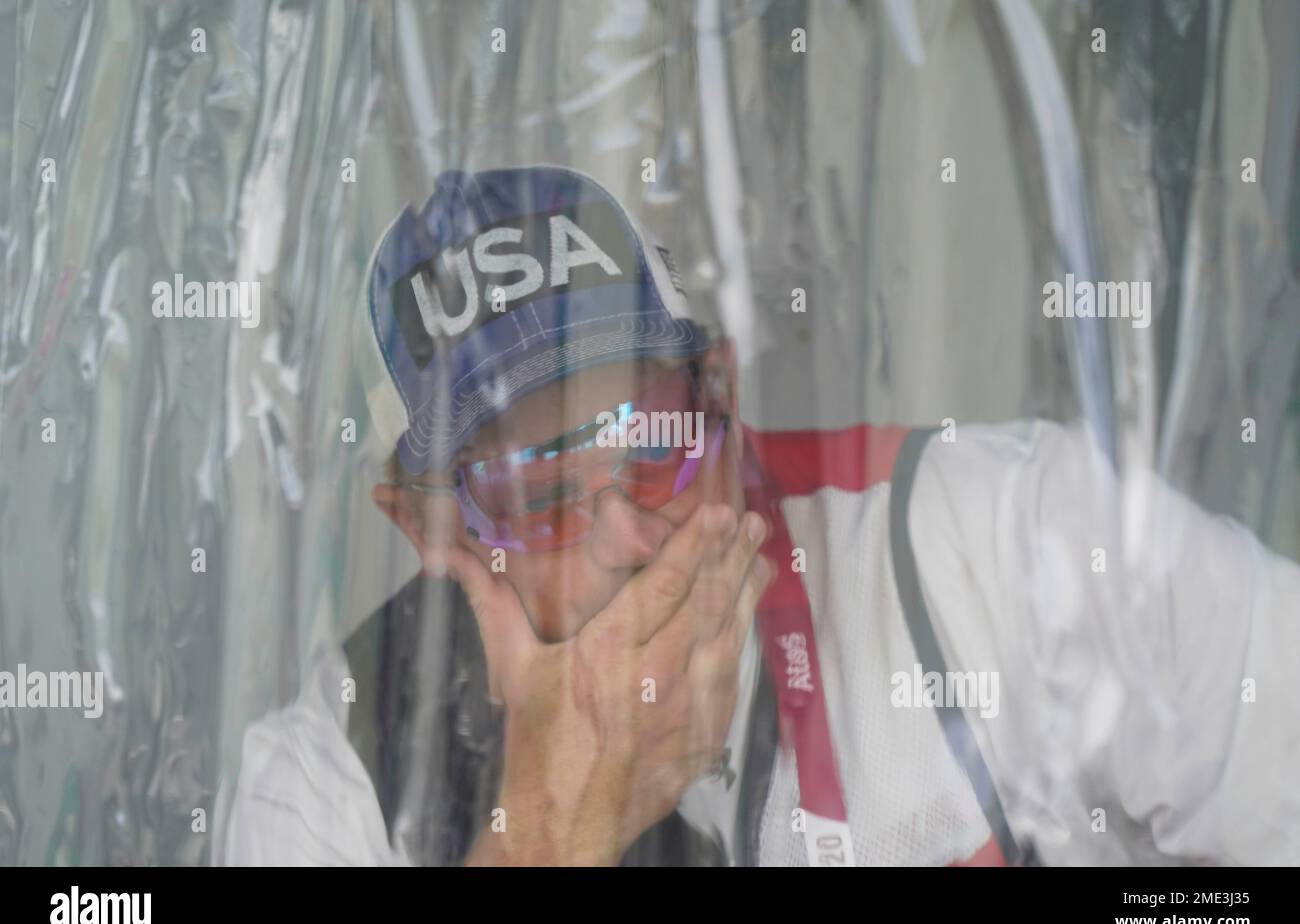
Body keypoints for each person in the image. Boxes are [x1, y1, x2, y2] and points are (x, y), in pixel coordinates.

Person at [215, 165, 1300, 867]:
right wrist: (549, 834)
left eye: (654, 444)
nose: (629, 537)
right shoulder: (329, 788)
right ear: (432, 531)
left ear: (723, 399)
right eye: (537, 493)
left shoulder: (1005, 541)